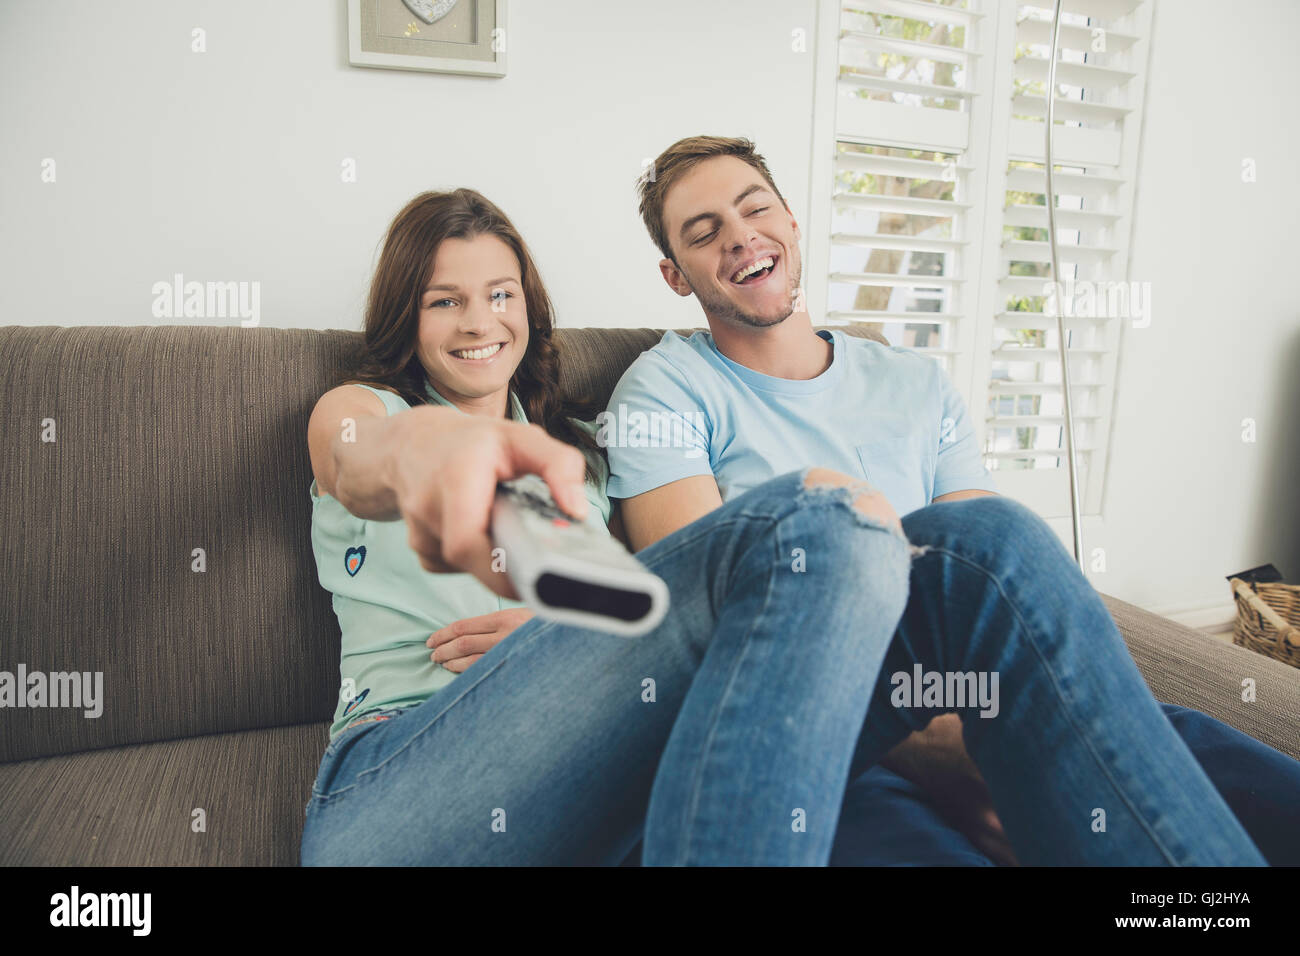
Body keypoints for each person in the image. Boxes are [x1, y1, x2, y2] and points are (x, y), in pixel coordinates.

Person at [299, 187, 1265, 866]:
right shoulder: (364, 411)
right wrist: (426, 448)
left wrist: (566, 651)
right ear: (407, 317)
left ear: (529, 308)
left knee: (990, 550)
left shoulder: (584, 456)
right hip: (402, 785)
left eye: (500, 293)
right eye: (446, 300)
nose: (480, 321)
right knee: (825, 517)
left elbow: (677, 641)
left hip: (613, 773)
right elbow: (358, 457)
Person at [600, 134, 1300, 866]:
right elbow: (705, 624)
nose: (741, 237)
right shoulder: (666, 390)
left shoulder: (914, 382)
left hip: (982, 698)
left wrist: (993, 738)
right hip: (829, 732)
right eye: (704, 233)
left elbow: (991, 581)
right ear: (675, 276)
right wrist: (943, 753)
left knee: (1211, 763)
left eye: (754, 209)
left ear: (792, 222)